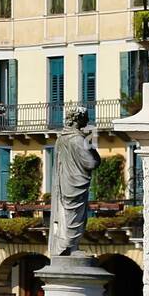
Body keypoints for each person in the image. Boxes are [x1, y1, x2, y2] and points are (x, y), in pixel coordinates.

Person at [48, 108, 101, 257]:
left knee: (67, 215)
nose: (88, 121)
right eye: (86, 118)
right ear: (79, 119)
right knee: (75, 216)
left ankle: (67, 246)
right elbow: (91, 163)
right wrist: (93, 146)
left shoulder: (61, 139)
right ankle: (71, 247)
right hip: (75, 185)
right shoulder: (79, 139)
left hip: (64, 183)